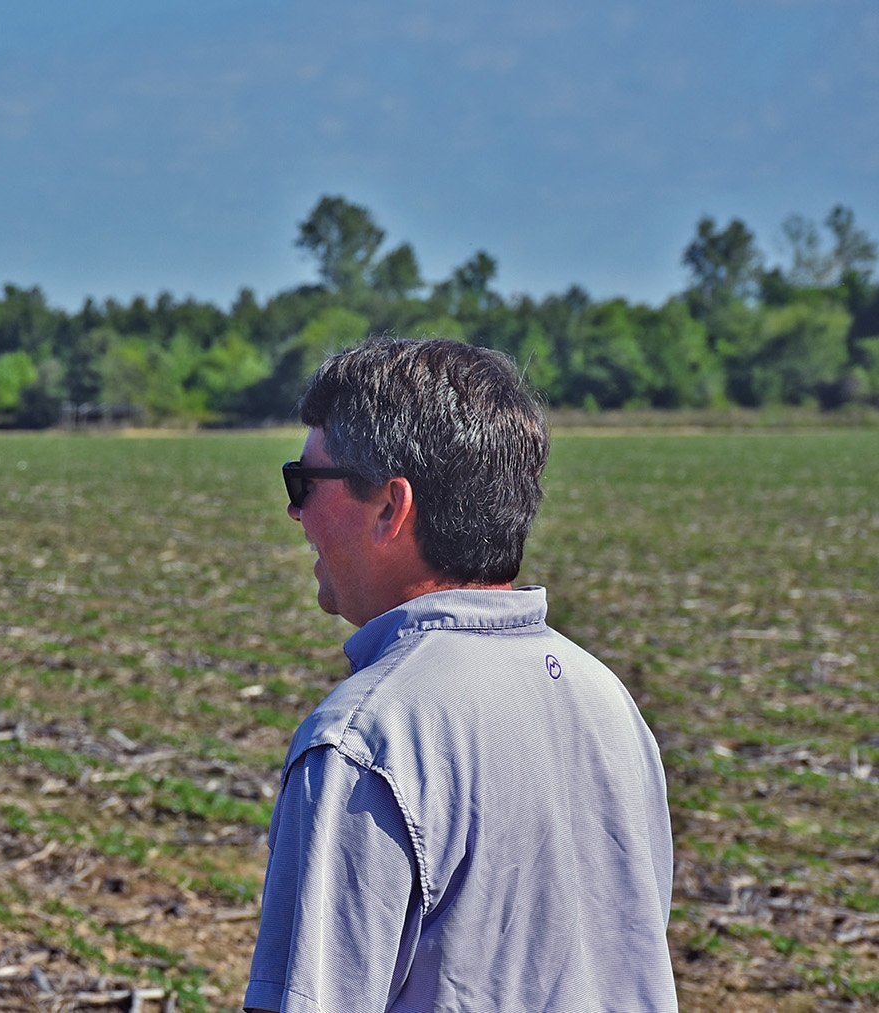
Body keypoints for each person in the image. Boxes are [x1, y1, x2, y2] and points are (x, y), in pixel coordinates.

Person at [245, 338, 676, 1011]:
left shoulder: (364, 741)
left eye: (304, 482)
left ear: (390, 507)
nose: (294, 511)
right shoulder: (606, 699)